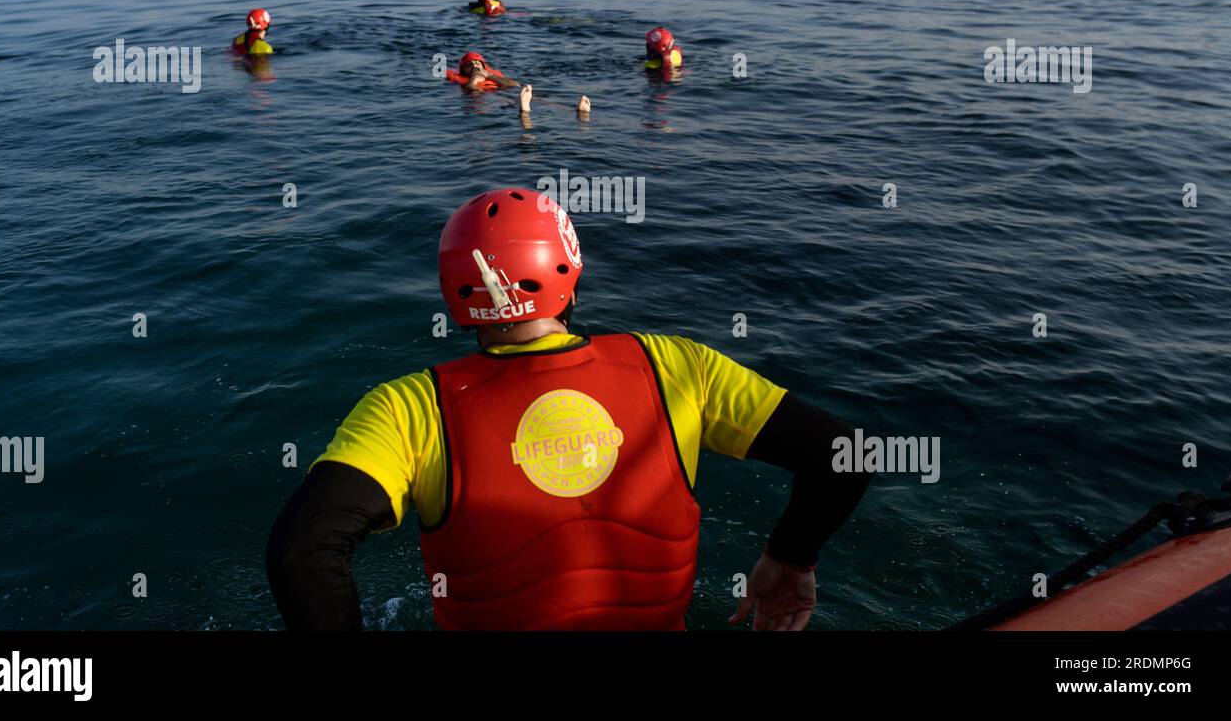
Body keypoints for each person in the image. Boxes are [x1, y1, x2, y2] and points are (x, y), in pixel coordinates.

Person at [267, 188, 873, 631]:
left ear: (453, 291)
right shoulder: (674, 365)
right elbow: (842, 454)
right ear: (569, 272)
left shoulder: (410, 407)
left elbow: (304, 549)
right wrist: (789, 561)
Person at [444, 52, 520, 91]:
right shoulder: (459, 80)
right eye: (469, 65)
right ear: (463, 71)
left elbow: (515, 85)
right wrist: (474, 78)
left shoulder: (491, 74)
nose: (474, 66)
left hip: (498, 91)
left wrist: (489, 75)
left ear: (483, 67)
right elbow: (468, 90)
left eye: (477, 63)